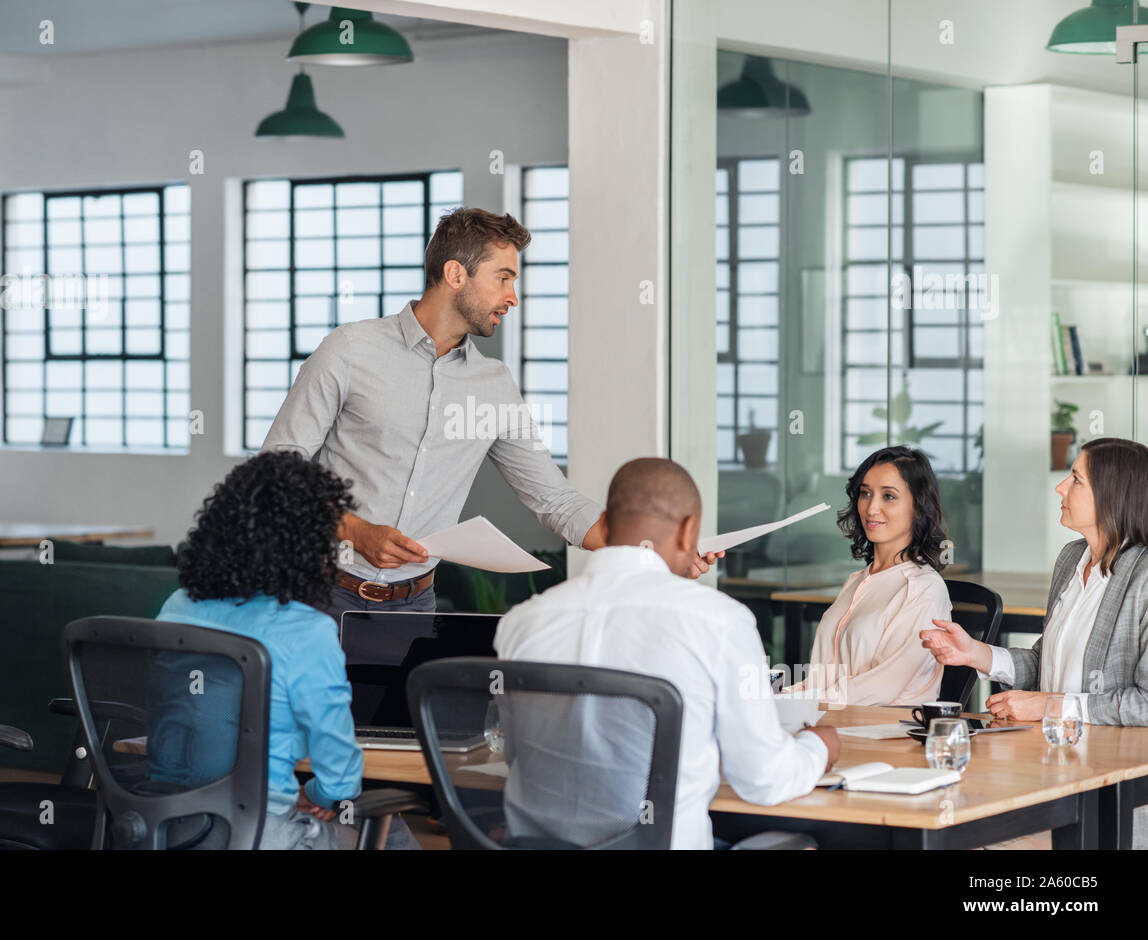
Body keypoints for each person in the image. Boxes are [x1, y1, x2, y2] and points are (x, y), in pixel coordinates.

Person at [261, 207, 717, 623]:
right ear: (456, 273)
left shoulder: (494, 386)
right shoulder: (350, 350)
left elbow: (555, 501)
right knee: (306, 718)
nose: (512, 297)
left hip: (413, 606)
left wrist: (658, 551)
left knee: (396, 719)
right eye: (503, 277)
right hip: (314, 594)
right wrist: (354, 530)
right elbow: (276, 471)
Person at [494, 457, 839, 850]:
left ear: (604, 524)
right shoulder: (718, 621)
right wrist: (819, 747)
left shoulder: (522, 621)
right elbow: (764, 780)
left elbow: (520, 753)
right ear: (689, 529)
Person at [155, 451, 418, 850]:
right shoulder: (308, 632)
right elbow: (340, 775)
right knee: (388, 828)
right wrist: (319, 797)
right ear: (309, 547)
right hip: (260, 835)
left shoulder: (176, 607)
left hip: (165, 825)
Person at [921, 437, 1148, 725]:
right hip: (1052, 748)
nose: (1060, 487)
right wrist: (974, 652)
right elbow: (1046, 665)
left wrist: (1049, 707)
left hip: (1112, 762)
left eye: (1076, 480)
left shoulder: (1143, 577)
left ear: (1113, 495)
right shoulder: (1071, 558)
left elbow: (1144, 704)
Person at [786, 446, 952, 706]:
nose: (871, 508)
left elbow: (880, 687)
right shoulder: (858, 581)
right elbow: (824, 679)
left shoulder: (924, 588)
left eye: (889, 496)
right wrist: (783, 697)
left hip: (887, 735)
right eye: (865, 494)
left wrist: (804, 702)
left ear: (918, 507)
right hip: (834, 723)